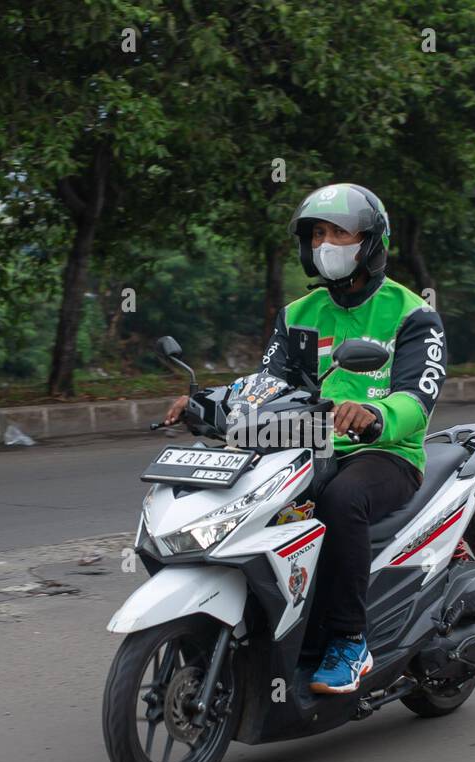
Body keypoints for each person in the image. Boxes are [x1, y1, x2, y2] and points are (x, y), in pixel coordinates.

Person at [162, 183, 447, 694]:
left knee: (340, 501)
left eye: (339, 232)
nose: (326, 244)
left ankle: (348, 640)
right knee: (244, 500)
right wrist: (206, 403)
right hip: (304, 441)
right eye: (318, 234)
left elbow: (416, 399)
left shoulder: (412, 315)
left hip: (385, 454)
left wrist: (373, 415)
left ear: (371, 241)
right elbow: (266, 385)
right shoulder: (298, 314)